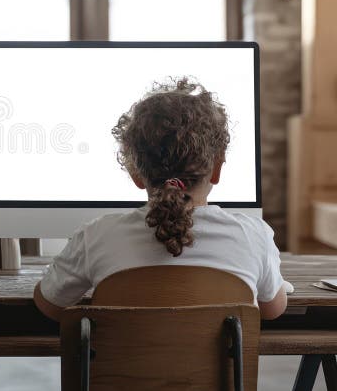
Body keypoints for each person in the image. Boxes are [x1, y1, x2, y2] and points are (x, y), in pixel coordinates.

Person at [34, 78, 287, 320]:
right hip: (222, 367)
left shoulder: (95, 237)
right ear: (218, 168)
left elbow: (50, 305)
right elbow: (272, 309)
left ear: (137, 175)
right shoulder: (253, 236)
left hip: (125, 366)